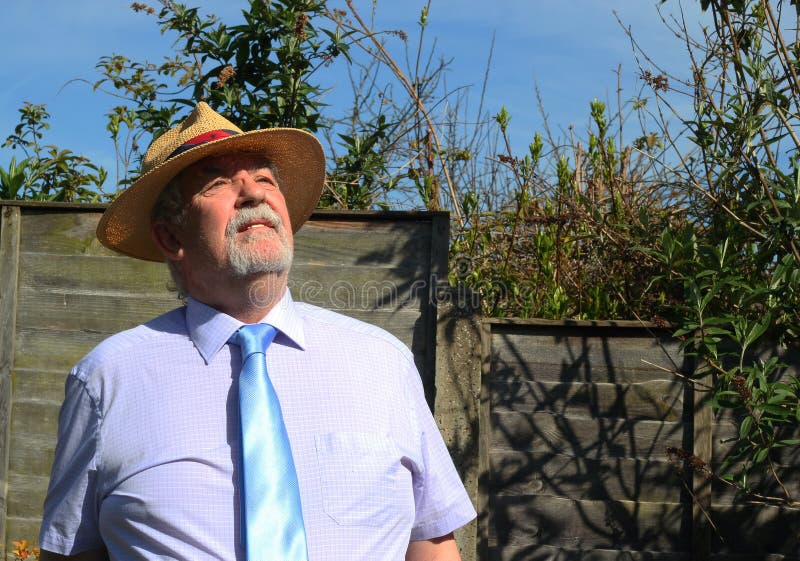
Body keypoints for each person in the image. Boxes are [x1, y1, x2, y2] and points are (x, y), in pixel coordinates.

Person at [38, 102, 476, 561]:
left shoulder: (383, 362)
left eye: (265, 179)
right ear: (170, 237)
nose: (252, 193)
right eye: (218, 183)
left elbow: (431, 543)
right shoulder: (107, 379)